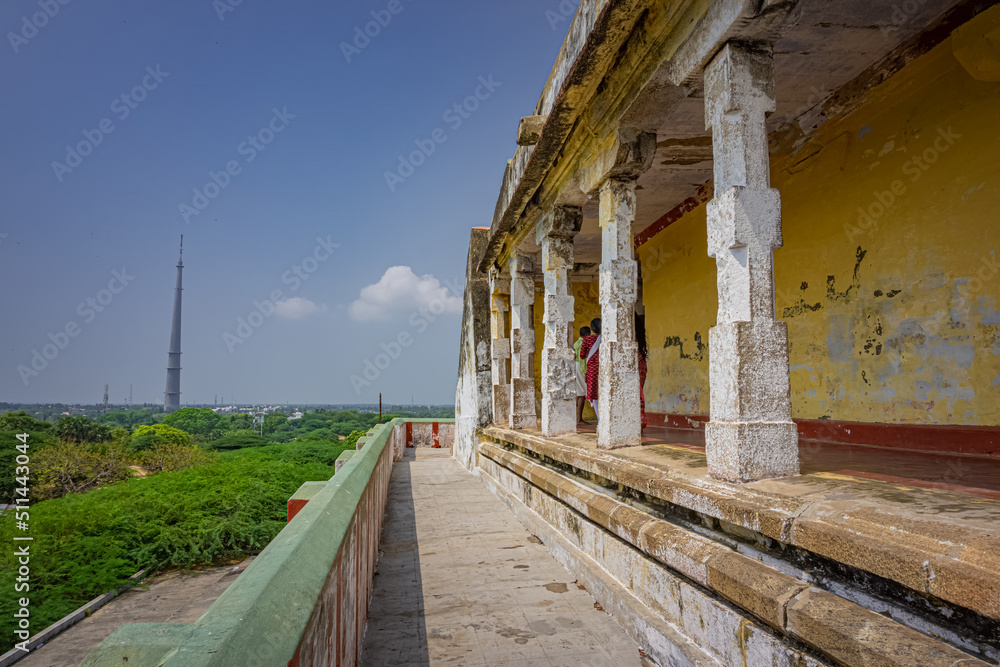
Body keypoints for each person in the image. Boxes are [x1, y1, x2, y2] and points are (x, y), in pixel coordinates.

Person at [579, 318, 601, 419]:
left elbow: (582, 355)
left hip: (592, 369)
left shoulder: (587, 339)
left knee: (594, 393)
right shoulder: (604, 338)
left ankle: (599, 418)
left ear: (591, 328)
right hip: (604, 367)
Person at [573, 326, 591, 424]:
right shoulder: (584, 343)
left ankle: (574, 417)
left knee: (578, 394)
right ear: (588, 334)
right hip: (581, 367)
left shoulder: (576, 343)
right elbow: (582, 359)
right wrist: (586, 372)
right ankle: (579, 418)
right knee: (581, 394)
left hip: (576, 366)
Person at [636, 314, 648, 431]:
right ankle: (640, 422)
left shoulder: (630, 334)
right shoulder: (639, 333)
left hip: (634, 365)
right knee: (639, 394)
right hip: (642, 364)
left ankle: (639, 422)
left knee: (636, 395)